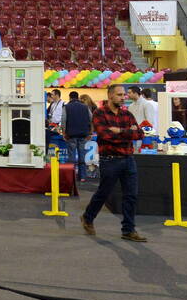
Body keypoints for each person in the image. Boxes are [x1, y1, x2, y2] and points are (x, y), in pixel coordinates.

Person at [81, 84, 148, 242]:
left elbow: (139, 134)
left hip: (128, 160)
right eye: (119, 94)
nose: (123, 97)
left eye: (124, 94)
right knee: (103, 193)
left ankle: (128, 230)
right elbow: (105, 136)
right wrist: (127, 133)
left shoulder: (127, 114)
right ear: (110, 96)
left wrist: (119, 131)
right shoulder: (99, 113)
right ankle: (88, 217)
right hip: (109, 160)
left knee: (131, 196)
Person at [63, 89, 92, 182]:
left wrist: (64, 132)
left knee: (71, 157)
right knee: (82, 155)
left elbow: (63, 121)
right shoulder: (85, 107)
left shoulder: (66, 107)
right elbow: (91, 118)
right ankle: (82, 176)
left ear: (70, 97)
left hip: (71, 135)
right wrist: (90, 132)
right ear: (78, 97)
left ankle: (71, 176)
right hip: (83, 134)